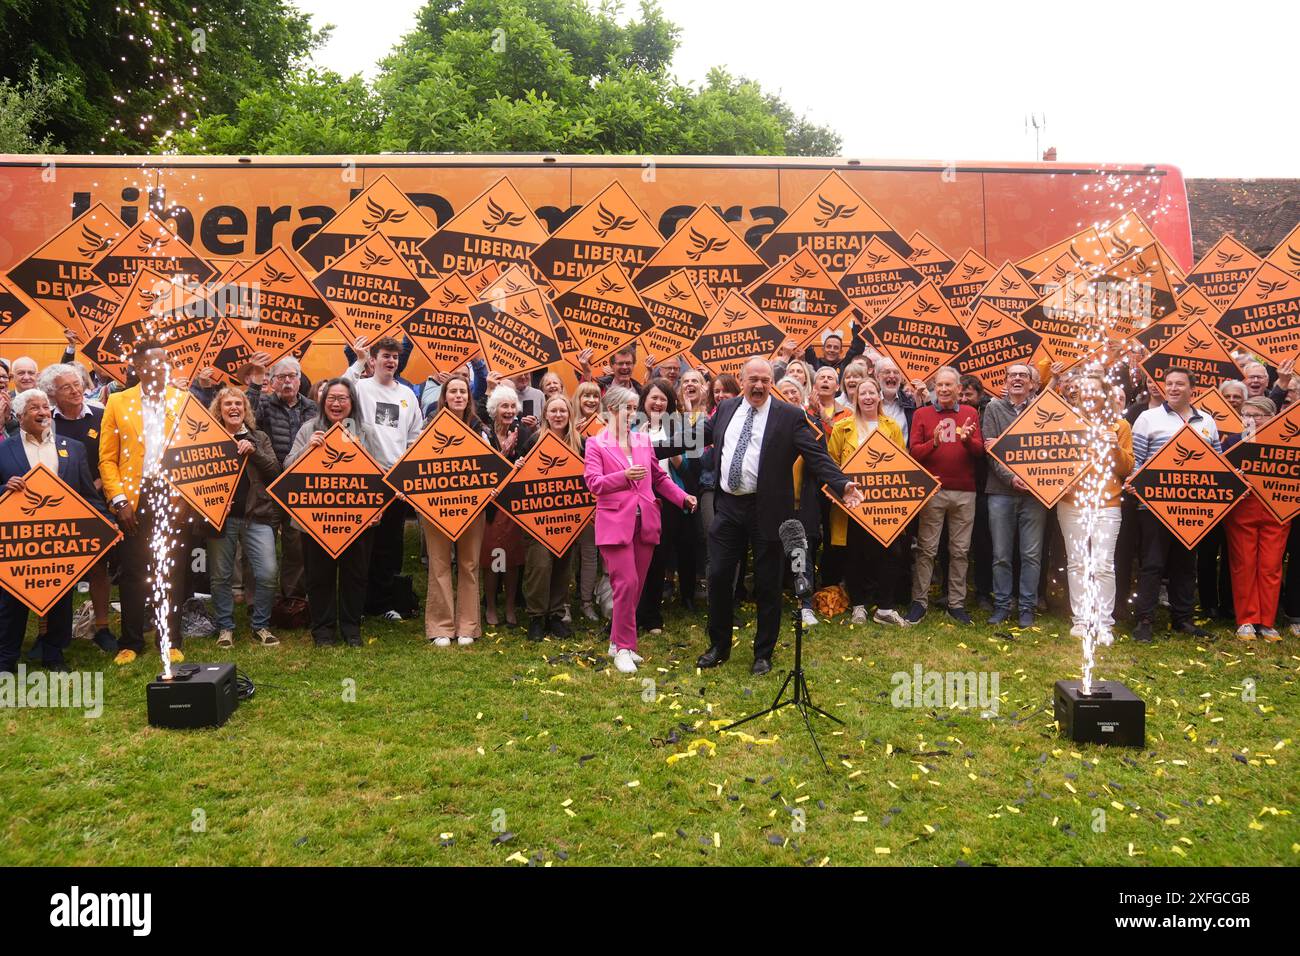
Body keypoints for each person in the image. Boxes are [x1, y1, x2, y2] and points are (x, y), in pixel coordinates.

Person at [682, 358, 862, 675]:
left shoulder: (790, 416)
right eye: (754, 379)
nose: (760, 385)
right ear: (741, 379)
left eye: (766, 380)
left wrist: (842, 484)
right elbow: (694, 437)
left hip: (768, 511)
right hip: (729, 508)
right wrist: (641, 446)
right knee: (720, 576)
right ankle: (718, 646)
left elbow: (816, 455)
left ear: (771, 383)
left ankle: (762, 654)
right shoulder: (725, 409)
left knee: (768, 585)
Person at [584, 386, 695, 673]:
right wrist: (623, 476)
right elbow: (594, 483)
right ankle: (624, 647)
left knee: (637, 584)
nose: (632, 413)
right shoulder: (596, 444)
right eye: (627, 408)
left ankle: (617, 641)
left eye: (634, 408)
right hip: (614, 524)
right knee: (626, 583)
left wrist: (682, 498)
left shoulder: (643, 441)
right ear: (611, 410)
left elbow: (659, 479)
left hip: (645, 521)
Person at [0, 389, 108, 673]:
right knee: (12, 603)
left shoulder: (73, 447)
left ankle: (54, 655)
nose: (42, 412)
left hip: (62, 541)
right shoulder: (3, 450)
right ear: (20, 416)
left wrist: (104, 522)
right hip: (19, 544)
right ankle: (6, 660)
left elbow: (88, 494)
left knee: (61, 597)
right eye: (34, 408)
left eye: (45, 407)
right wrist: (3, 489)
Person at [99, 340, 190, 665]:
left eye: (164, 362)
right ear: (137, 367)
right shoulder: (118, 402)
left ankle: (171, 639)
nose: (159, 369)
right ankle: (131, 641)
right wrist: (119, 499)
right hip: (133, 500)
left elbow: (194, 453)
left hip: (172, 497)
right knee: (133, 572)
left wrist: (186, 498)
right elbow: (107, 459)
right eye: (152, 363)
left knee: (173, 572)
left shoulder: (181, 401)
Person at [286, 378, 383, 647]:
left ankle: (352, 629)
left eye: (342, 398)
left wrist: (378, 509)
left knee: (355, 575)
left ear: (352, 402)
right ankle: (323, 631)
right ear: (322, 401)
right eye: (331, 398)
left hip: (358, 520)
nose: (336, 404)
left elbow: (380, 474)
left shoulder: (365, 431)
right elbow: (287, 468)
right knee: (319, 576)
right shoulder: (309, 429)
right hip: (315, 520)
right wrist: (307, 450)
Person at [1129, 368, 1219, 643]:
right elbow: (1137, 461)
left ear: (1193, 389)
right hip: (1154, 506)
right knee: (1153, 563)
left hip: (1192, 508)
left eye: (1180, 384)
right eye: (1169, 384)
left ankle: (1183, 618)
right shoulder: (1147, 418)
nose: (1173, 388)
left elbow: (1217, 463)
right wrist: (1135, 482)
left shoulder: (1207, 421)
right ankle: (1144, 620)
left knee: (1185, 564)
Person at [40, 362, 116, 652]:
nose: (75, 391)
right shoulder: (46, 418)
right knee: (52, 568)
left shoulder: (101, 413)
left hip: (95, 498)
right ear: (52, 394)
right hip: (54, 504)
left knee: (99, 566)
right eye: (66, 387)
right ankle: (46, 632)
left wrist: (95, 486)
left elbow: (113, 454)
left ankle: (102, 628)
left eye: (77, 384)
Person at [345, 336, 422, 620]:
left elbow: (414, 436)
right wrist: (359, 360)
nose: (391, 361)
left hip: (395, 480)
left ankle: (383, 604)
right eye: (385, 356)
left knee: (391, 545)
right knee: (362, 544)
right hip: (366, 476)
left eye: (394, 357)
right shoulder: (361, 388)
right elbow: (336, 390)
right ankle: (360, 603)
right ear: (374, 360)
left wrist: (404, 472)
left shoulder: (408, 395)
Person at [1056, 373, 1133, 642]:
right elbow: (1052, 460)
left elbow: (1126, 468)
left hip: (1107, 504)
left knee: (1103, 565)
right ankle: (1081, 619)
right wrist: (1057, 484)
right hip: (1071, 503)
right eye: (1084, 390)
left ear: (1105, 394)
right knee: (1077, 563)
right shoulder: (1065, 422)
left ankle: (1103, 622)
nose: (1088, 394)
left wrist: (1115, 449)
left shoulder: (1120, 425)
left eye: (1094, 390)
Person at [827, 378, 910, 626]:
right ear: (856, 398)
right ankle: (859, 606)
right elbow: (830, 463)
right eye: (863, 393)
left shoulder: (891, 426)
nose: (868, 397)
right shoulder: (843, 427)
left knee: (891, 553)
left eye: (872, 392)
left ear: (879, 396)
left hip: (884, 505)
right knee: (855, 555)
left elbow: (902, 462)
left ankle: (885, 608)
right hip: (853, 505)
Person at [907, 366, 985, 625]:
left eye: (948, 385)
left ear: (958, 389)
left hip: (965, 492)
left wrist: (967, 441)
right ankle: (919, 602)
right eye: (939, 385)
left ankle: (957, 603)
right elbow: (914, 453)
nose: (943, 389)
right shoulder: (922, 414)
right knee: (927, 549)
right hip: (934, 490)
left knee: (960, 550)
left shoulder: (971, 412)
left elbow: (979, 451)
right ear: (933, 388)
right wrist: (935, 443)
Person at [204, 387, 281, 648]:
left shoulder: (259, 437)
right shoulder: (209, 439)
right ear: (219, 409)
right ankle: (225, 627)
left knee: (268, 573)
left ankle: (261, 625)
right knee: (220, 576)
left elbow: (274, 472)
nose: (234, 408)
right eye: (228, 404)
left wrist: (253, 451)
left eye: (239, 403)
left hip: (257, 516)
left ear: (246, 409)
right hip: (220, 519)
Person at [422, 374, 487, 647]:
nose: (458, 396)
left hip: (473, 506)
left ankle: (467, 627)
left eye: (463, 391)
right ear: (444, 397)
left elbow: (489, 467)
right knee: (438, 564)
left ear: (469, 397)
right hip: (436, 506)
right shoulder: (429, 426)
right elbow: (418, 464)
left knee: (469, 565)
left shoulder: (480, 427)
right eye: (453, 392)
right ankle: (440, 626)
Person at [982, 364, 1048, 628]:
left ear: (1032, 384)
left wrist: (1034, 480)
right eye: (1013, 375)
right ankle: (1002, 606)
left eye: (1024, 375)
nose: (1018, 379)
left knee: (1032, 554)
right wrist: (1011, 478)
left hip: (1035, 494)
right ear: (1006, 381)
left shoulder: (1043, 409)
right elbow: (990, 449)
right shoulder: (993, 408)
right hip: (1000, 491)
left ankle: (1027, 608)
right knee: (1001, 554)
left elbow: (1051, 450)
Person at [252, 357, 318, 606]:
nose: (288, 381)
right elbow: (247, 423)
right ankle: (258, 601)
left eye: (292, 376)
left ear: (300, 380)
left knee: (296, 544)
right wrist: (256, 383)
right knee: (261, 544)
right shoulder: (264, 405)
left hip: (299, 485)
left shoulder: (313, 407)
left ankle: (293, 599)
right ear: (273, 381)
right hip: (267, 484)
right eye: (282, 377)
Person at [1223, 397, 1286, 642]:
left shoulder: (1285, 443)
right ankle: (1247, 620)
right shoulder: (1233, 441)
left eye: (1257, 415)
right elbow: (1222, 478)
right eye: (1246, 414)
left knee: (1270, 565)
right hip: (1242, 511)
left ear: (1272, 417)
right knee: (1244, 565)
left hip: (1276, 510)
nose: (1251, 419)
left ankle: (1267, 622)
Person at [523, 394, 584, 641]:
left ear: (569, 414)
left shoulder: (581, 444)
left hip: (569, 516)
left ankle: (556, 615)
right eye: (553, 411)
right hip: (539, 517)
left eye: (563, 411)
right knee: (539, 565)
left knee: (563, 566)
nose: (558, 415)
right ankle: (537, 616)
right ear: (545, 415)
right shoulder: (533, 441)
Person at [481, 384, 535, 627]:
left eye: (513, 406)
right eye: (504, 406)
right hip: (491, 506)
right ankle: (491, 606)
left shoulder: (523, 432)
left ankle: (511, 607)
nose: (510, 411)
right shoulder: (484, 433)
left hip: (514, 506)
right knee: (494, 558)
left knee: (512, 559)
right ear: (494, 409)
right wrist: (503, 454)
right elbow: (484, 471)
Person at [572, 380, 605, 622]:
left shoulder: (605, 428)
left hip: (595, 498)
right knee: (567, 554)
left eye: (595, 396)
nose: (591, 401)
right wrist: (574, 433)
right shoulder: (566, 425)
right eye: (586, 396)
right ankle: (564, 602)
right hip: (569, 499)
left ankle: (586, 601)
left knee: (590, 552)